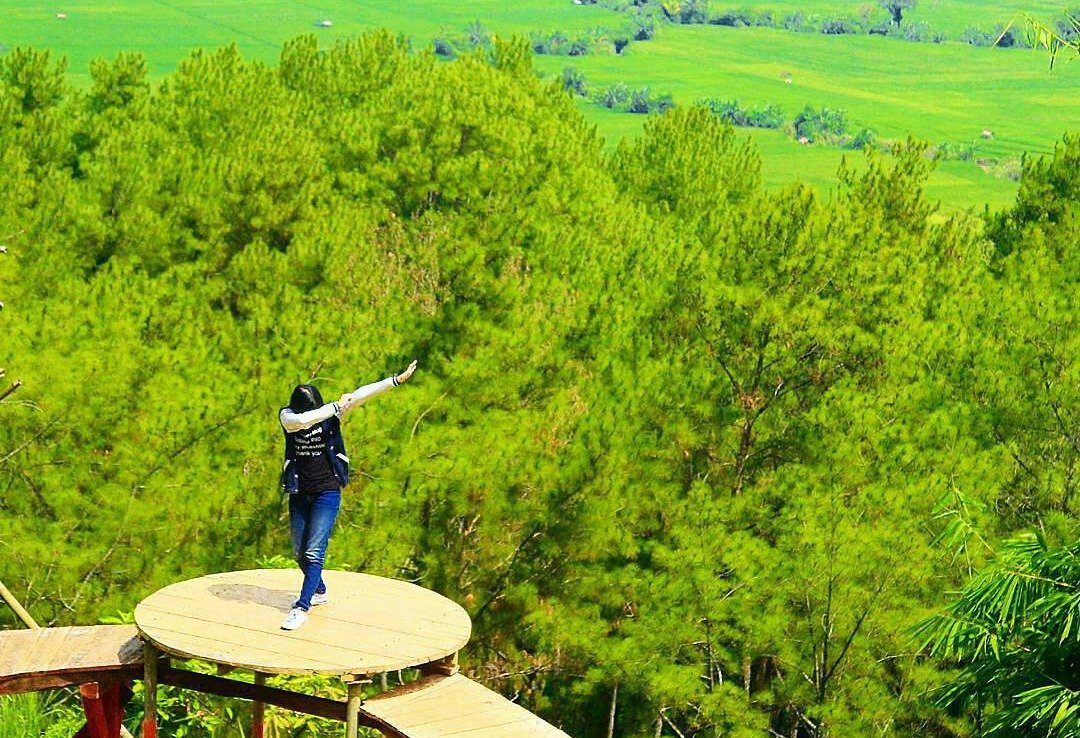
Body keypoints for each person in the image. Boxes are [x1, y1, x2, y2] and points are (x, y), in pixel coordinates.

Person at [278, 359, 418, 630]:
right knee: (299, 553)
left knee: (314, 552)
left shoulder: (329, 414)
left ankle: (301, 607)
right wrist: (334, 407)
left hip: (327, 492)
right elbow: (304, 420)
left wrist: (395, 381)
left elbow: (362, 393)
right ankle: (319, 591)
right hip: (300, 492)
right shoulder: (289, 417)